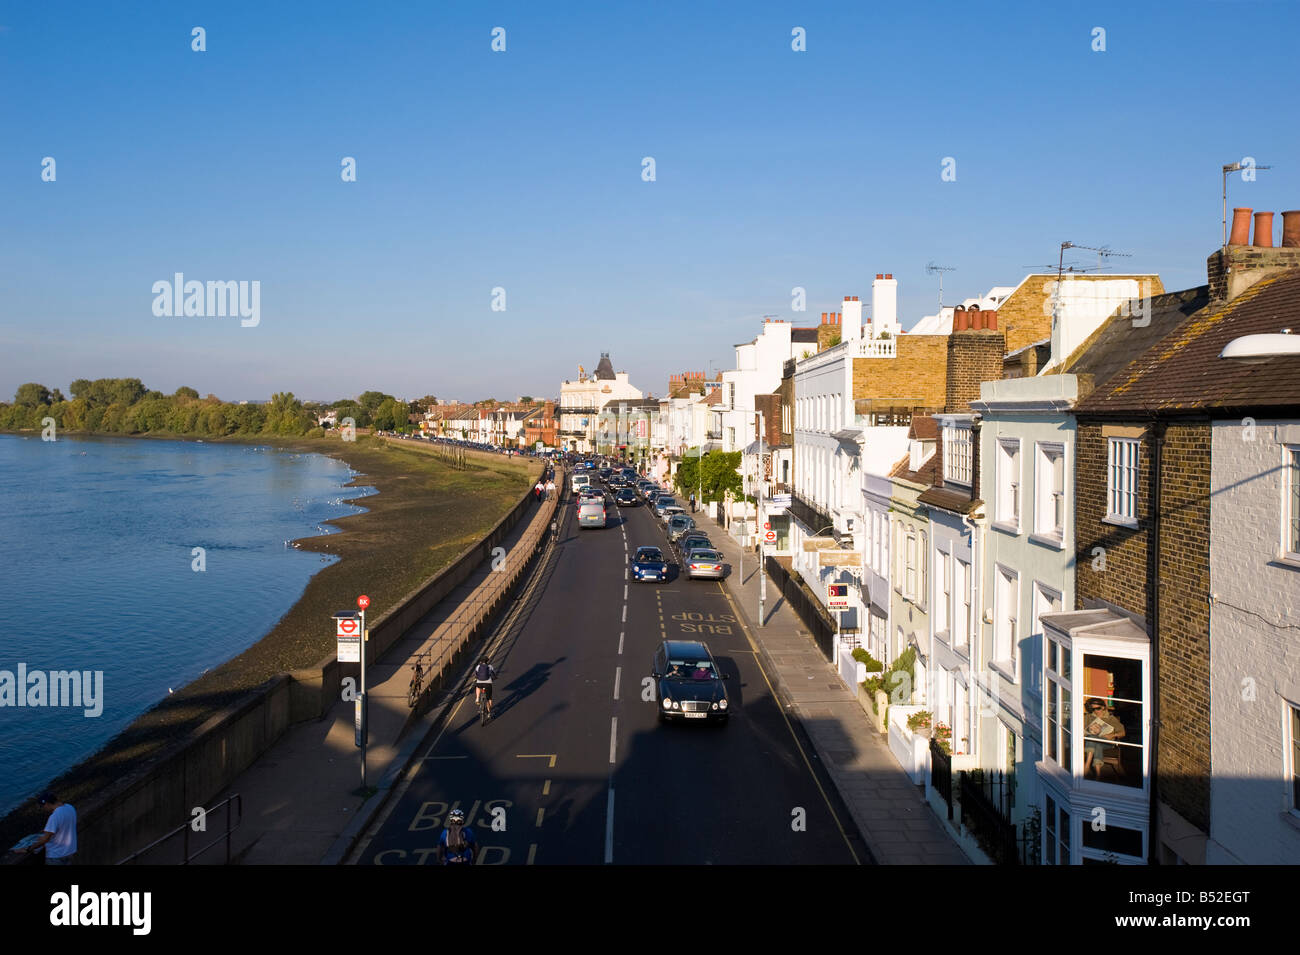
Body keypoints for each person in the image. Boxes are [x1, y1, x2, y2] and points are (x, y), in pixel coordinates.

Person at [25, 792, 76, 865]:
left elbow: (45, 839)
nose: (43, 809)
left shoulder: (54, 816)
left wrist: (28, 849)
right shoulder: (70, 807)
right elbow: (64, 826)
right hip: (70, 851)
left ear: (46, 804)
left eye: (42, 807)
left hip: (56, 855)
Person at [1083, 698, 1125, 778]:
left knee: (1093, 739)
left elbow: (1122, 733)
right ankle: (1098, 774)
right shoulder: (1089, 716)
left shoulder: (1111, 718)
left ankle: (1087, 765)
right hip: (1093, 742)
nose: (1096, 711)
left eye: (1098, 708)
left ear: (1103, 707)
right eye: (1093, 709)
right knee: (1095, 740)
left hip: (1107, 743)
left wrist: (1112, 735)